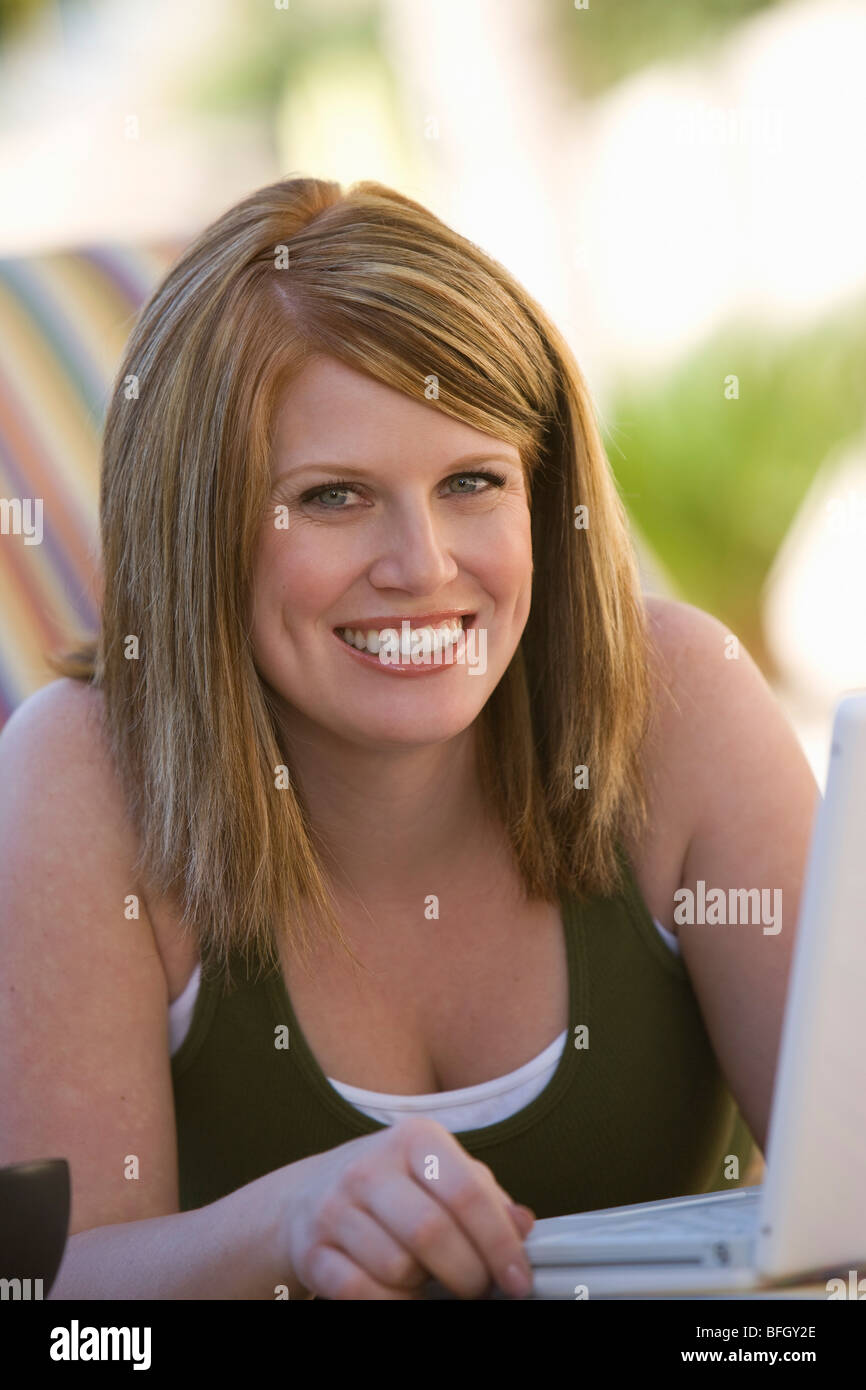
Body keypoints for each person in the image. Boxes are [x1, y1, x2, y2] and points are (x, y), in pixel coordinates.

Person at [0, 177, 819, 1301]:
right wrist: (285, 1223)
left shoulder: (678, 700)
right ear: (200, 524)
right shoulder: (81, 776)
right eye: (333, 496)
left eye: (471, 481)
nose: (422, 565)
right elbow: (45, 1306)